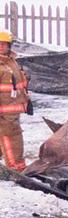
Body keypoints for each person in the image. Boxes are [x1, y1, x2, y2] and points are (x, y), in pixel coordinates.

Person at [0, 30, 31, 172]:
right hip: (4, 112)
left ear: (9, 46)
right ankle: (15, 167)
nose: (1, 47)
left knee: (8, 136)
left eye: (3, 44)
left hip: (13, 109)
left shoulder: (11, 61)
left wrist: (27, 101)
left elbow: (19, 84)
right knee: (11, 138)